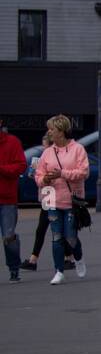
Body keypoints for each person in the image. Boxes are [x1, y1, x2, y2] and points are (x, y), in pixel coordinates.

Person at [34, 114, 89, 285]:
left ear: (62, 131)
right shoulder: (47, 153)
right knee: (56, 236)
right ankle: (59, 271)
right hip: (51, 198)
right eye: (49, 129)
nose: (49, 132)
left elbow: (83, 172)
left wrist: (62, 173)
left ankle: (78, 258)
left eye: (52, 129)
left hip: (72, 199)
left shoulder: (77, 149)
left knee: (70, 236)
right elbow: (39, 174)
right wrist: (44, 179)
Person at [0, 116, 27, 283]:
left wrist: (1, 169)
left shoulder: (12, 142)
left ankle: (14, 268)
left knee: (9, 235)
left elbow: (21, 166)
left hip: (7, 199)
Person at [20, 135, 52, 272]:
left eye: (45, 146)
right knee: (54, 228)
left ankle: (33, 259)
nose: (43, 148)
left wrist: (39, 172)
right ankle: (69, 257)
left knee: (43, 228)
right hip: (46, 195)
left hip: (50, 195)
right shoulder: (44, 159)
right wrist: (35, 174)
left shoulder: (50, 159)